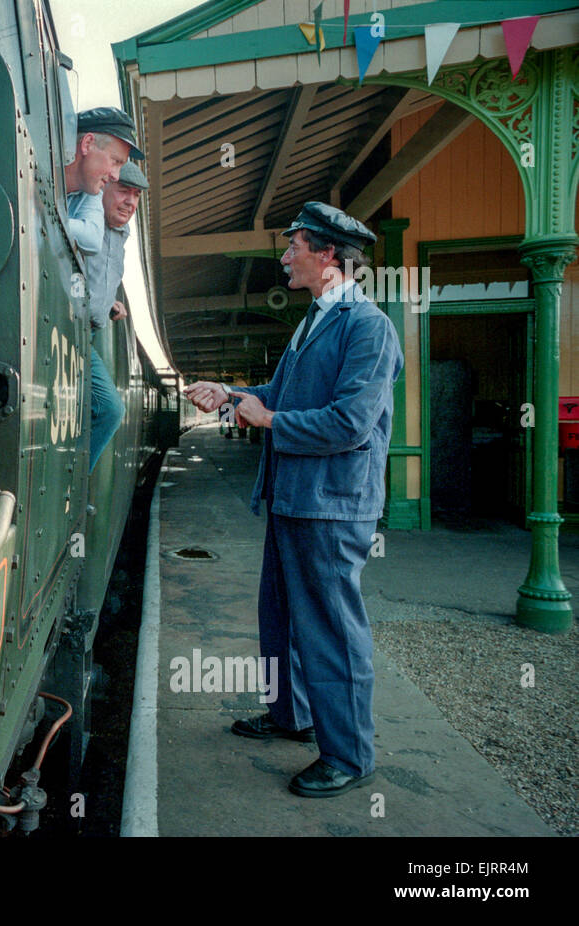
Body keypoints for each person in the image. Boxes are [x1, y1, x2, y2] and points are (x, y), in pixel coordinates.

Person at [183, 201, 403, 798]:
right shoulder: (312, 322)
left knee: (331, 629)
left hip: (333, 503)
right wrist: (227, 392)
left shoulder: (368, 327)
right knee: (280, 618)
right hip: (293, 499)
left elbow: (352, 422)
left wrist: (270, 416)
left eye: (295, 245)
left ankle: (351, 755)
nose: (285, 255)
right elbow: (273, 394)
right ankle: (292, 716)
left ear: (328, 255)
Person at [84, 161, 147, 471]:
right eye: (124, 191)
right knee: (109, 409)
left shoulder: (120, 233)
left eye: (136, 196)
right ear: (103, 186)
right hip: (72, 331)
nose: (131, 203)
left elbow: (98, 276)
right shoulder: (84, 213)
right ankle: (77, 481)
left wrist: (109, 302)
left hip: (90, 332)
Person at [63, 107, 142, 255]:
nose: (116, 176)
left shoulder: (91, 191)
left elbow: (92, 240)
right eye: (115, 161)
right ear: (87, 144)